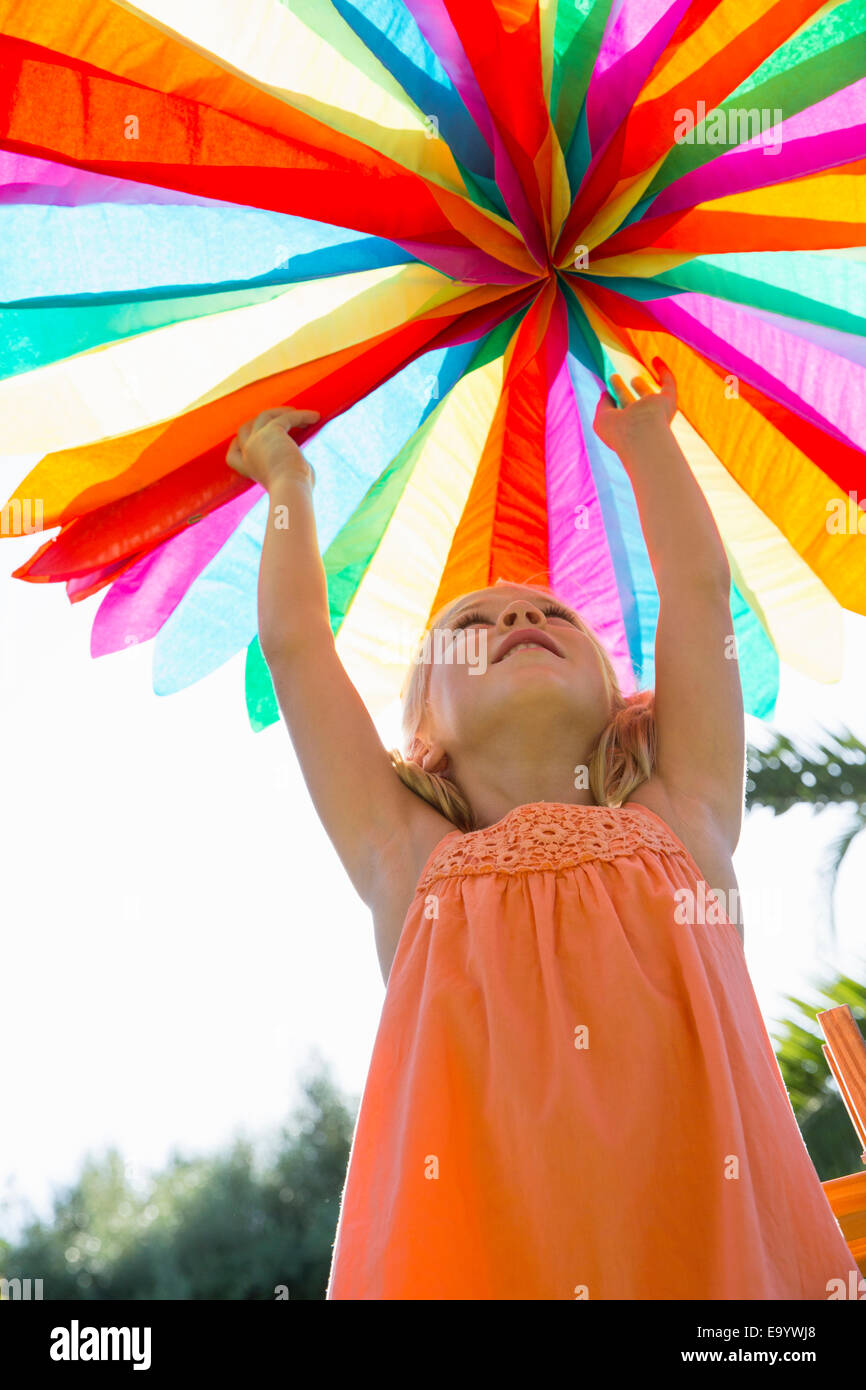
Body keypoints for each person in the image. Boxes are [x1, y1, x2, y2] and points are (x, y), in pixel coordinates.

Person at [226, 363, 861, 1300]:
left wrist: (646, 445)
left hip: (709, 1262)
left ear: (616, 699)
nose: (521, 613)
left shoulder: (683, 807)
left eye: (553, 614)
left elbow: (694, 590)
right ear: (425, 733)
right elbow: (297, 647)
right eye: (475, 624)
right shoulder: (404, 857)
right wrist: (289, 488)